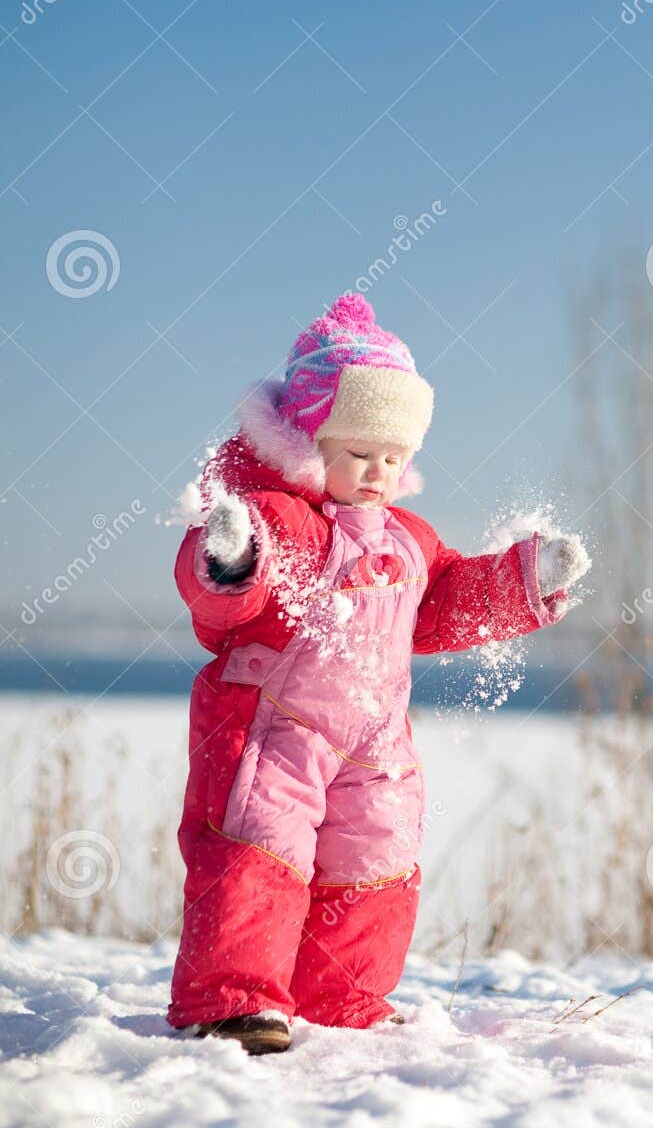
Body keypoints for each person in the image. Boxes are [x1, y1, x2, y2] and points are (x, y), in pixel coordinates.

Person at [166, 290, 590, 1053]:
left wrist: (529, 579)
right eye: (358, 454)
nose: (377, 472)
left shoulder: (407, 538)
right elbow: (227, 600)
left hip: (375, 735)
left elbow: (445, 600)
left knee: (377, 859)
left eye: (393, 458)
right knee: (259, 848)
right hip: (275, 728)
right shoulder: (283, 520)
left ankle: (340, 997)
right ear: (307, 442)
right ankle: (232, 1000)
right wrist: (229, 557)